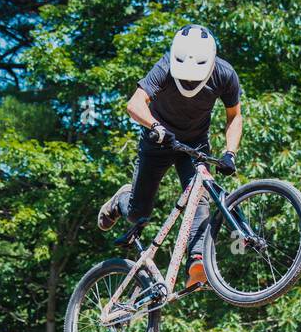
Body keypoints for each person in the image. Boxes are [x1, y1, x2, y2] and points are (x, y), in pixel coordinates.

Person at [97, 24, 243, 289]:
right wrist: (156, 127)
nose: (189, 82)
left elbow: (234, 116)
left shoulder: (224, 73)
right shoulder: (165, 66)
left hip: (194, 145)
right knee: (138, 212)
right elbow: (135, 104)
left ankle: (197, 263)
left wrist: (230, 152)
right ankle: (121, 200)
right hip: (158, 142)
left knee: (199, 198)